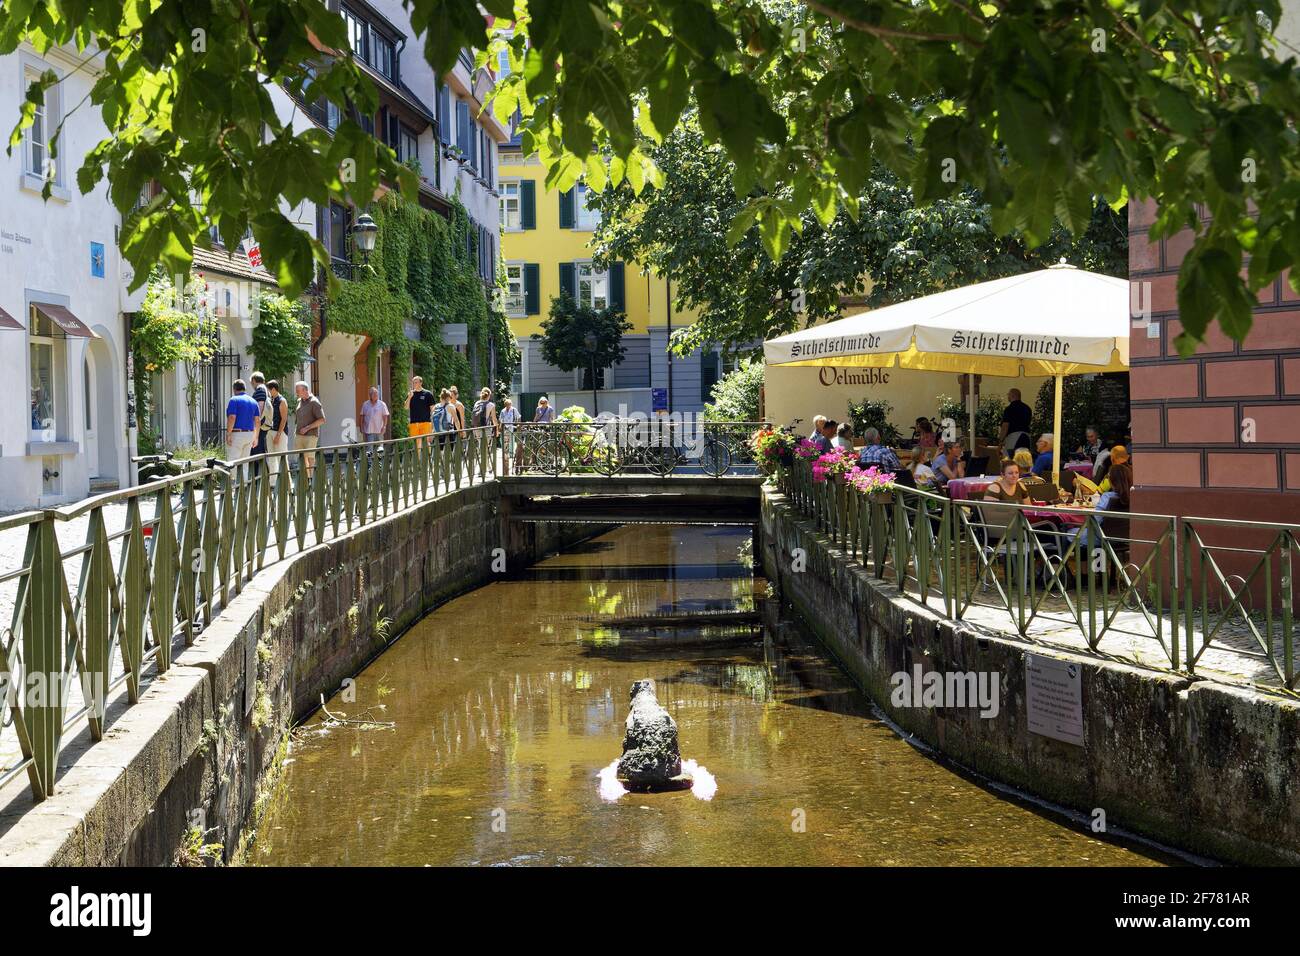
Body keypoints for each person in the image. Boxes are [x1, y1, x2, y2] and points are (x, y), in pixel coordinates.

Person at [293, 381, 325, 477]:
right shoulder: (299, 401)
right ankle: (305, 480)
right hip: (299, 435)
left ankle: (312, 479)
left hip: (311, 435)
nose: (296, 393)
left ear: (304, 390)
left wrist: (307, 428)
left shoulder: (314, 402)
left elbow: (322, 420)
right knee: (302, 458)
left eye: (298, 390)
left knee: (310, 458)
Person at [225, 379, 260, 466]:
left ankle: (233, 476)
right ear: (245, 388)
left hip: (237, 434)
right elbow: (257, 421)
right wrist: (256, 437)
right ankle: (244, 476)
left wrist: (228, 434)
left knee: (232, 462)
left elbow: (232, 417)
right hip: (250, 434)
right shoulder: (254, 401)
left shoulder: (234, 400)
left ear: (234, 389)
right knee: (244, 463)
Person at [264, 380, 289, 481]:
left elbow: (284, 419)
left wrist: (278, 435)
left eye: (268, 390)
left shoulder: (282, 401)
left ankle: (286, 483)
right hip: (270, 431)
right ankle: (272, 483)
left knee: (282, 458)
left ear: (273, 389)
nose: (268, 392)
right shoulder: (270, 400)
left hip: (280, 432)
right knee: (271, 458)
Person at [998, 388, 1033, 454]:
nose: (1008, 396)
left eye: (1008, 394)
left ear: (1012, 395)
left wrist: (1000, 440)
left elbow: (1005, 425)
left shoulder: (1009, 408)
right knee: (1024, 458)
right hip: (1026, 437)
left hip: (1014, 437)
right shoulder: (1027, 408)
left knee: (1009, 458)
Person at [406, 376, 436, 447]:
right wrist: (409, 397)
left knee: (426, 443)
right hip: (414, 423)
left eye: (416, 382)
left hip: (425, 423)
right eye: (413, 383)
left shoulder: (428, 394)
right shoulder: (411, 394)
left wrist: (432, 423)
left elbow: (433, 409)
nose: (414, 384)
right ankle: (418, 455)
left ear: (421, 383)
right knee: (416, 445)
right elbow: (406, 407)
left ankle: (428, 455)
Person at [249, 371, 269, 468]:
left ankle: (259, 476)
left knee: (257, 453)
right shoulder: (265, 389)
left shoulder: (260, 390)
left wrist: (256, 424)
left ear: (253, 380)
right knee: (260, 452)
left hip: (260, 426)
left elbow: (260, 406)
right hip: (262, 425)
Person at [499, 396, 521, 472]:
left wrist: (518, 424)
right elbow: (501, 419)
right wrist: (500, 427)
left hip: (511, 427)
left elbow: (519, 417)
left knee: (511, 440)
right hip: (505, 427)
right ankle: (505, 452)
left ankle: (511, 453)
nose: (508, 406)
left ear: (511, 404)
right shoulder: (503, 411)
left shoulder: (514, 410)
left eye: (509, 404)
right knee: (503, 440)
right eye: (506, 404)